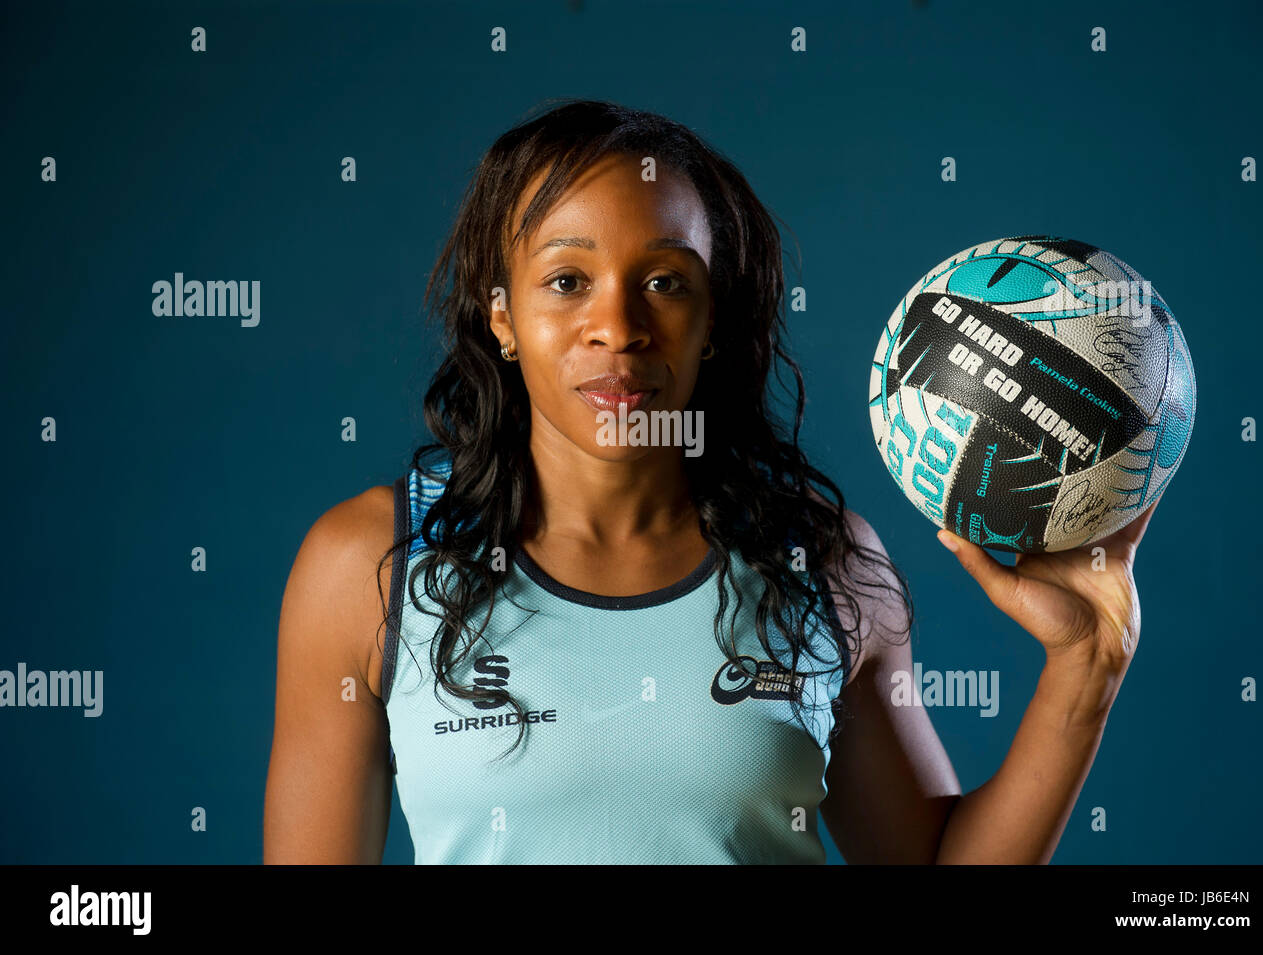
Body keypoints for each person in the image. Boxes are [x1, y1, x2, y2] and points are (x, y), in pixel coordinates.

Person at [263, 99, 1158, 864]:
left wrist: (1086, 666)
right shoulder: (370, 565)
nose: (617, 325)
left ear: (715, 318)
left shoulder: (823, 562)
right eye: (567, 280)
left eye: (664, 280)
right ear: (502, 314)